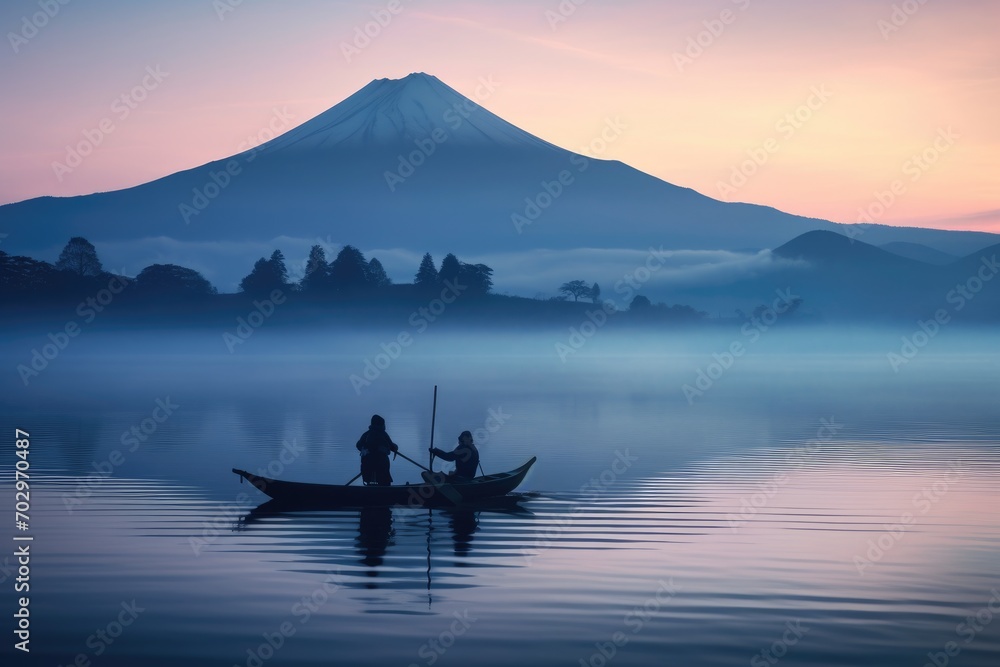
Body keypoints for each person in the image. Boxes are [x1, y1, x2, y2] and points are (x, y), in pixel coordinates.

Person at [356, 414, 399, 486]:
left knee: (369, 481)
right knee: (385, 483)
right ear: (381, 425)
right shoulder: (383, 434)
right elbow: (392, 446)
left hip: (367, 467)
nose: (385, 426)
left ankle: (370, 489)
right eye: (384, 424)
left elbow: (358, 445)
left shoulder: (366, 434)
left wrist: (365, 450)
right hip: (381, 467)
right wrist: (395, 447)